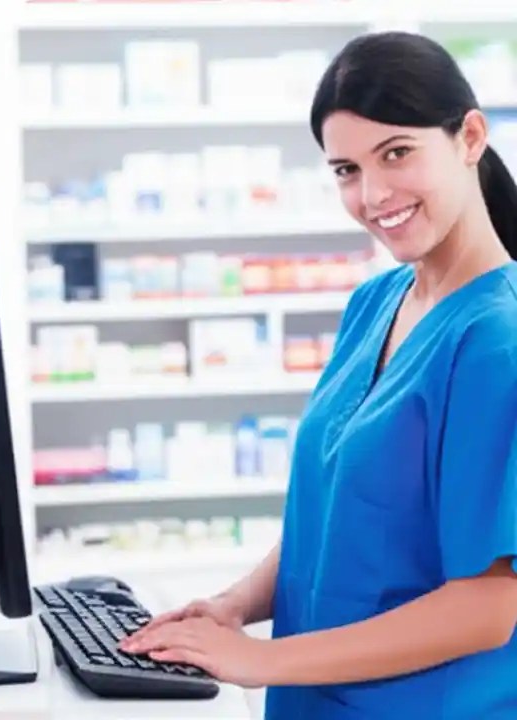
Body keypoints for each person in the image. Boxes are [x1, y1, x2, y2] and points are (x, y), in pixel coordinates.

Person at [119, 31, 517, 717]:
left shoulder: (495, 341)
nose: (373, 194)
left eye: (396, 153)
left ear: (469, 137)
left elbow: (488, 606)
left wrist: (263, 659)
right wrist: (235, 606)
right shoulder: (377, 302)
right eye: (345, 170)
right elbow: (336, 512)